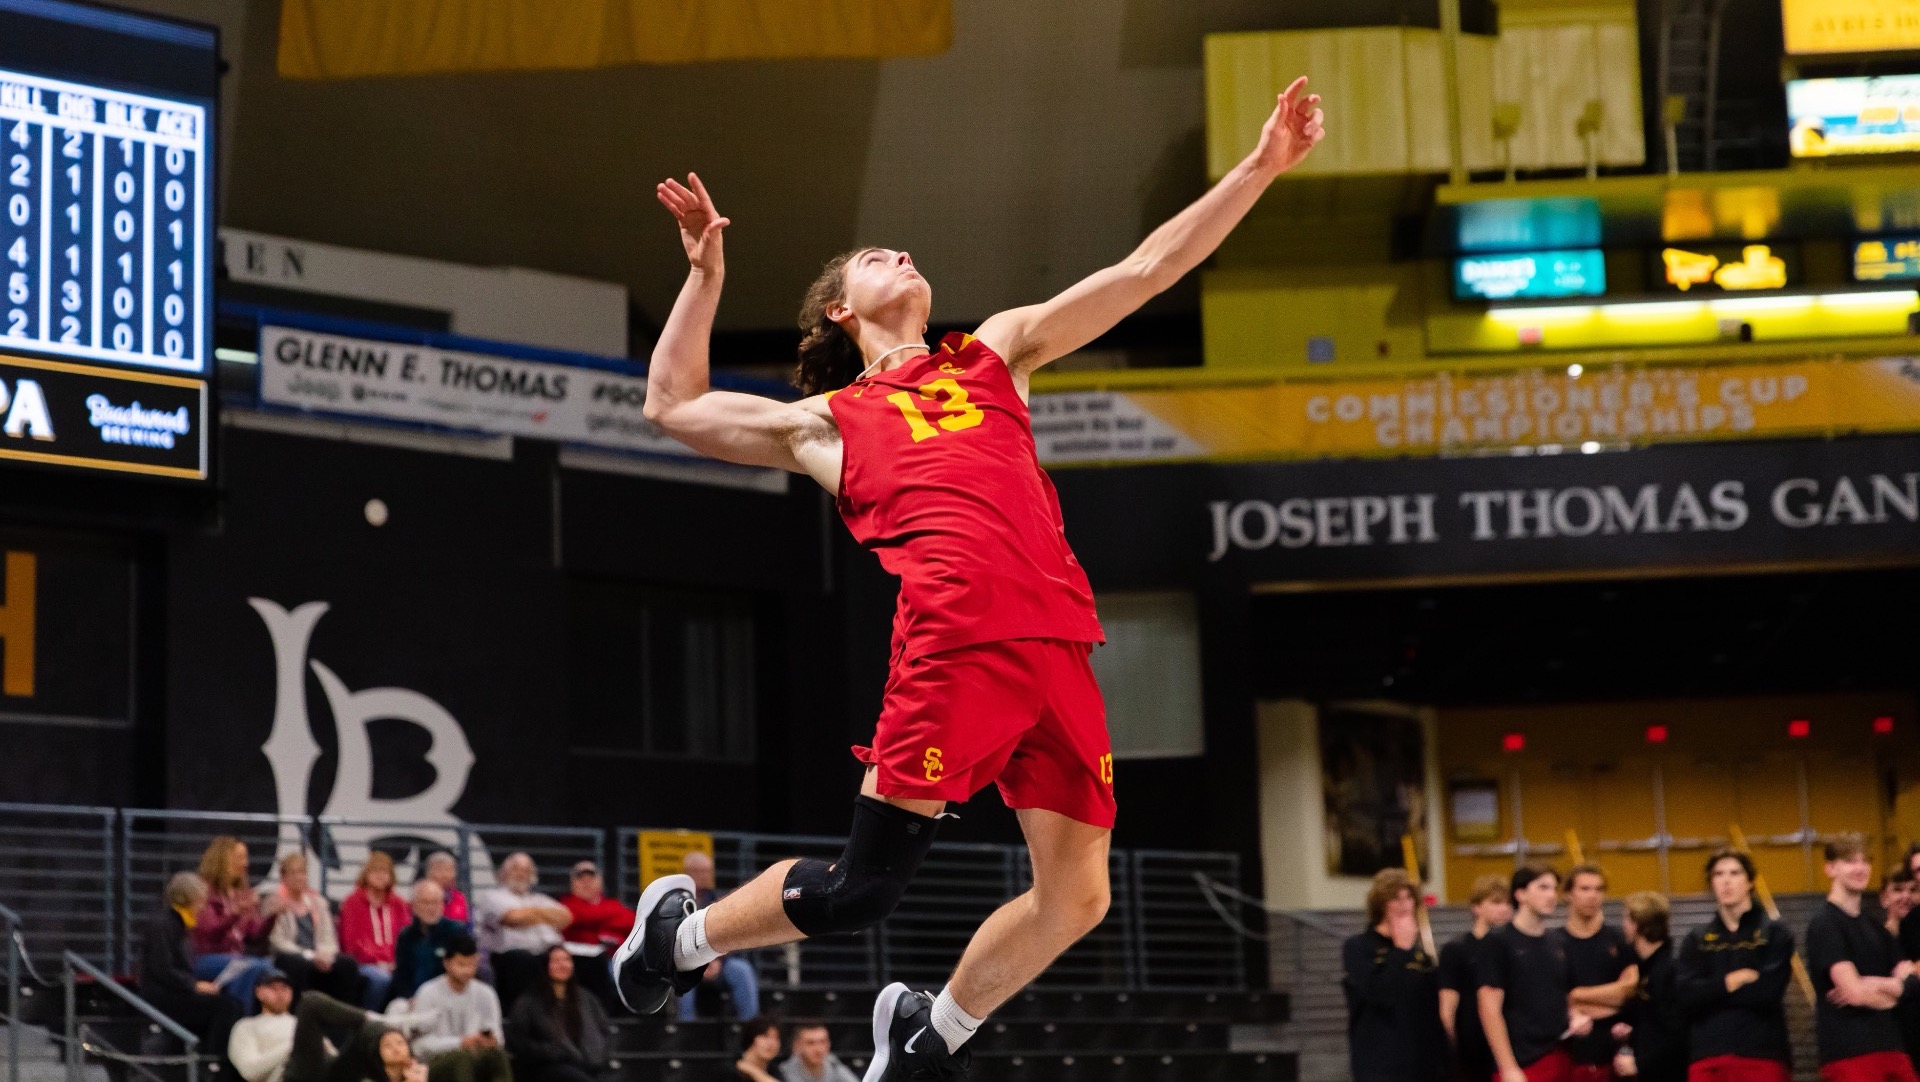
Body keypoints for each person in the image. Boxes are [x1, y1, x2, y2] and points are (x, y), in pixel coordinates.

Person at [613, 72, 1326, 1082]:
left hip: (1058, 641)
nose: (899, 252)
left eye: (901, 249)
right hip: (956, 636)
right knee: (862, 890)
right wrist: (705, 273)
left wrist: (1260, 167)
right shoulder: (824, 421)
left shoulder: (997, 351)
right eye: (872, 256)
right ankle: (676, 939)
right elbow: (671, 406)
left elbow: (1147, 268)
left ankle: (927, 1031)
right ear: (837, 308)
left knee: (1080, 897)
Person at [1804, 834, 1919, 1082]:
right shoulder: (1825, 924)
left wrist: (1878, 986)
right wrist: (1895, 989)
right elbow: (1855, 992)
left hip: (1893, 1049)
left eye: (1865, 861)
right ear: (1830, 868)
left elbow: (1912, 981)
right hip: (1849, 1052)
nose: (1860, 868)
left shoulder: (1875, 926)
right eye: (1850, 861)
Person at [1674, 849, 1795, 1082]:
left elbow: (1767, 994)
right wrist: (1732, 981)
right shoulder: (1696, 938)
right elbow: (1686, 997)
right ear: (1711, 883)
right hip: (1707, 1056)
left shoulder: (1775, 933)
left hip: (1761, 1054)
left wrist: (1709, 992)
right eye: (1718, 874)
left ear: (1750, 882)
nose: (1726, 880)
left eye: (1735, 873)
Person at [1480, 863, 1590, 1082]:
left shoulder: (1557, 942)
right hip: (1522, 1062)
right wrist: (1508, 1067)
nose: (1551, 895)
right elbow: (1489, 1008)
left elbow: (1564, 995)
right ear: (1520, 894)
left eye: (1553, 889)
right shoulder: (1498, 942)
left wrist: (1576, 1016)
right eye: (1543, 887)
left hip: (1560, 1055)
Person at [1340, 869, 1446, 1082]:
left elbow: (1431, 1012)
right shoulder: (1358, 947)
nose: (1404, 905)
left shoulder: (1420, 956)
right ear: (1380, 904)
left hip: (1421, 1063)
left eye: (1408, 898)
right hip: (1380, 1064)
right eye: (1395, 899)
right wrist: (1400, 950)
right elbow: (1380, 993)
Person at [140, 871, 244, 1077]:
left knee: (234, 1004)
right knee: (226, 1007)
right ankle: (212, 1065)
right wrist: (194, 985)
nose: (203, 906)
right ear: (189, 898)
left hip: (178, 991)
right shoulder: (162, 925)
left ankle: (216, 1062)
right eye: (201, 900)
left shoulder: (184, 927)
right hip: (162, 996)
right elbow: (163, 969)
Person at [229, 969, 392, 1082]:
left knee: (369, 1034)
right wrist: (294, 1045)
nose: (280, 993)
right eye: (273, 988)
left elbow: (330, 1055)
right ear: (259, 992)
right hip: (290, 1076)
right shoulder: (246, 1026)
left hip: (323, 1072)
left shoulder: (299, 1023)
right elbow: (249, 1071)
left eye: (285, 988)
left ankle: (387, 1025)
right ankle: (376, 1017)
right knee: (311, 1003)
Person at [1562, 864, 1637, 1081]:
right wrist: (1609, 1000)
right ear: (1568, 894)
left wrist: (1576, 996)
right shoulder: (1555, 943)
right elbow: (1556, 1001)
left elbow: (1628, 991)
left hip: (1616, 1055)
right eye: (1584, 889)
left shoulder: (1619, 939)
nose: (1592, 896)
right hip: (1572, 1054)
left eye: (1598, 889)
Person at [195, 836, 286, 1009]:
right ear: (222, 861)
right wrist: (234, 914)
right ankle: (238, 1020)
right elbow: (208, 933)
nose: (245, 864)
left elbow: (254, 936)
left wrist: (272, 916)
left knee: (271, 968)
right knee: (250, 967)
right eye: (240, 858)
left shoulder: (239, 894)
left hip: (236, 958)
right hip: (207, 957)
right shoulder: (204, 893)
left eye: (246, 858)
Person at [475, 853, 572, 1011]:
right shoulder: (492, 897)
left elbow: (566, 917)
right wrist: (544, 915)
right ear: (504, 873)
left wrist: (529, 914)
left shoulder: (539, 898)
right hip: (507, 957)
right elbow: (512, 918)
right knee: (524, 960)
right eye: (515, 869)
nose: (521, 874)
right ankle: (525, 1015)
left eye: (526, 870)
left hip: (544, 954)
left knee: (585, 962)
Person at [506, 944, 616, 1082]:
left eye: (566, 960)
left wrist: (599, 1054)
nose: (562, 965)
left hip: (589, 1064)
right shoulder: (530, 1001)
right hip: (548, 1067)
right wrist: (550, 1052)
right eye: (556, 961)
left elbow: (603, 1031)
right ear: (546, 965)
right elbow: (517, 1040)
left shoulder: (586, 998)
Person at [411, 933, 512, 1082]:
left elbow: (498, 1037)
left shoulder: (486, 993)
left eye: (471, 964)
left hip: (475, 1056)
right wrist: (460, 1043)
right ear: (446, 963)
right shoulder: (428, 992)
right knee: (461, 1057)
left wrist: (490, 1041)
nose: (467, 971)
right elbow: (419, 1045)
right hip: (438, 1060)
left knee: (498, 1056)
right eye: (461, 964)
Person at [1440, 874, 1513, 1082]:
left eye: (1507, 903)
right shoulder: (1456, 949)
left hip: (1508, 1043)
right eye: (1496, 902)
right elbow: (1447, 1009)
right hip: (1470, 1048)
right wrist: (1451, 1052)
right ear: (1476, 907)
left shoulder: (1511, 947)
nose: (1504, 909)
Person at [270, 852, 364, 1004]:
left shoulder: (318, 903)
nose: (299, 877)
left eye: (302, 872)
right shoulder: (274, 903)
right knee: (300, 965)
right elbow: (278, 942)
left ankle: (345, 1016)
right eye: (293, 873)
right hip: (291, 955)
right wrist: (310, 956)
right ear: (284, 877)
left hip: (319, 953)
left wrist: (325, 955)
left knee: (347, 964)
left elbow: (328, 937)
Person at [678, 852, 761, 1021]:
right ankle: (686, 1031)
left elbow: (731, 935)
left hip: (717, 960)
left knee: (742, 970)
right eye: (701, 871)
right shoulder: (674, 902)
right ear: (688, 873)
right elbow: (675, 939)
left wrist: (717, 959)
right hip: (686, 962)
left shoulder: (719, 900)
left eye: (709, 871)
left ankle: (751, 1029)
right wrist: (701, 961)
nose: (707, 876)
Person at [1612, 892, 1684, 1082]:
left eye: (1626, 918)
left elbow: (1676, 1032)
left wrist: (1640, 1063)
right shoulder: (1649, 968)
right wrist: (1634, 1031)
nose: (1623, 925)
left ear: (1638, 925)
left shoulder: (1666, 971)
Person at [341, 853, 412, 1009]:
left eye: (385, 872)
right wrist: (379, 960)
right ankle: (368, 1020)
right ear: (366, 874)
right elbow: (351, 943)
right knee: (381, 979)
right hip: (365, 964)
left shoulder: (399, 904)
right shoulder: (352, 902)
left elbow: (406, 938)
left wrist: (396, 961)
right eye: (376, 871)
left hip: (394, 963)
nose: (380, 876)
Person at [556, 861, 630, 1010]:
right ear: (572, 883)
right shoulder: (564, 905)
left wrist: (590, 925)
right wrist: (605, 926)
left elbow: (629, 921)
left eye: (591, 879)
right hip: (580, 960)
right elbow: (574, 917)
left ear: (600, 882)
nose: (586, 883)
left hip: (614, 958)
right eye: (581, 879)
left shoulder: (613, 904)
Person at [393, 879, 468, 1003]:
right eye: (425, 903)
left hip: (447, 998)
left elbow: (461, 972)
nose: (431, 908)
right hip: (412, 998)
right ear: (414, 906)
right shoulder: (406, 935)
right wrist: (408, 997)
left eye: (435, 902)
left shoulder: (456, 932)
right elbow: (401, 975)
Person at [780, 1023, 861, 1082]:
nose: (818, 1049)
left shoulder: (834, 1065)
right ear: (796, 1046)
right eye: (810, 1043)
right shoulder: (784, 1072)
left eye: (822, 1042)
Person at [425, 853, 472, 926]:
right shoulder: (421, 897)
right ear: (429, 874)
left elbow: (467, 927)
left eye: (449, 870)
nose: (445, 875)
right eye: (439, 870)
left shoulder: (460, 897)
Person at [734, 1018, 783, 1082]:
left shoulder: (774, 1070)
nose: (772, 1043)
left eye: (776, 1038)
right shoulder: (730, 1069)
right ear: (751, 1037)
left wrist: (753, 1071)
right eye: (765, 1036)